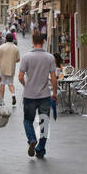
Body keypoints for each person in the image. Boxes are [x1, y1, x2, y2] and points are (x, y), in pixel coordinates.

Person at [18, 30, 58, 159]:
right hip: (44, 95)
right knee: (44, 123)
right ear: (44, 42)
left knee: (27, 120)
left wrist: (26, 85)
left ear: (32, 41)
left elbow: (20, 76)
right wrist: (55, 93)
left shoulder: (26, 57)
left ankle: (31, 140)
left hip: (29, 95)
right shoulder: (50, 57)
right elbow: (53, 78)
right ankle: (40, 149)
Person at [0, 32, 21, 103]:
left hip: (2, 68)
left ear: (6, 39)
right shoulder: (16, 48)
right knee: (10, 83)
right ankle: (13, 95)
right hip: (11, 68)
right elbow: (18, 59)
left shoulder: (2, 47)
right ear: (12, 39)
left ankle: (1, 100)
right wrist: (12, 61)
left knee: (2, 84)